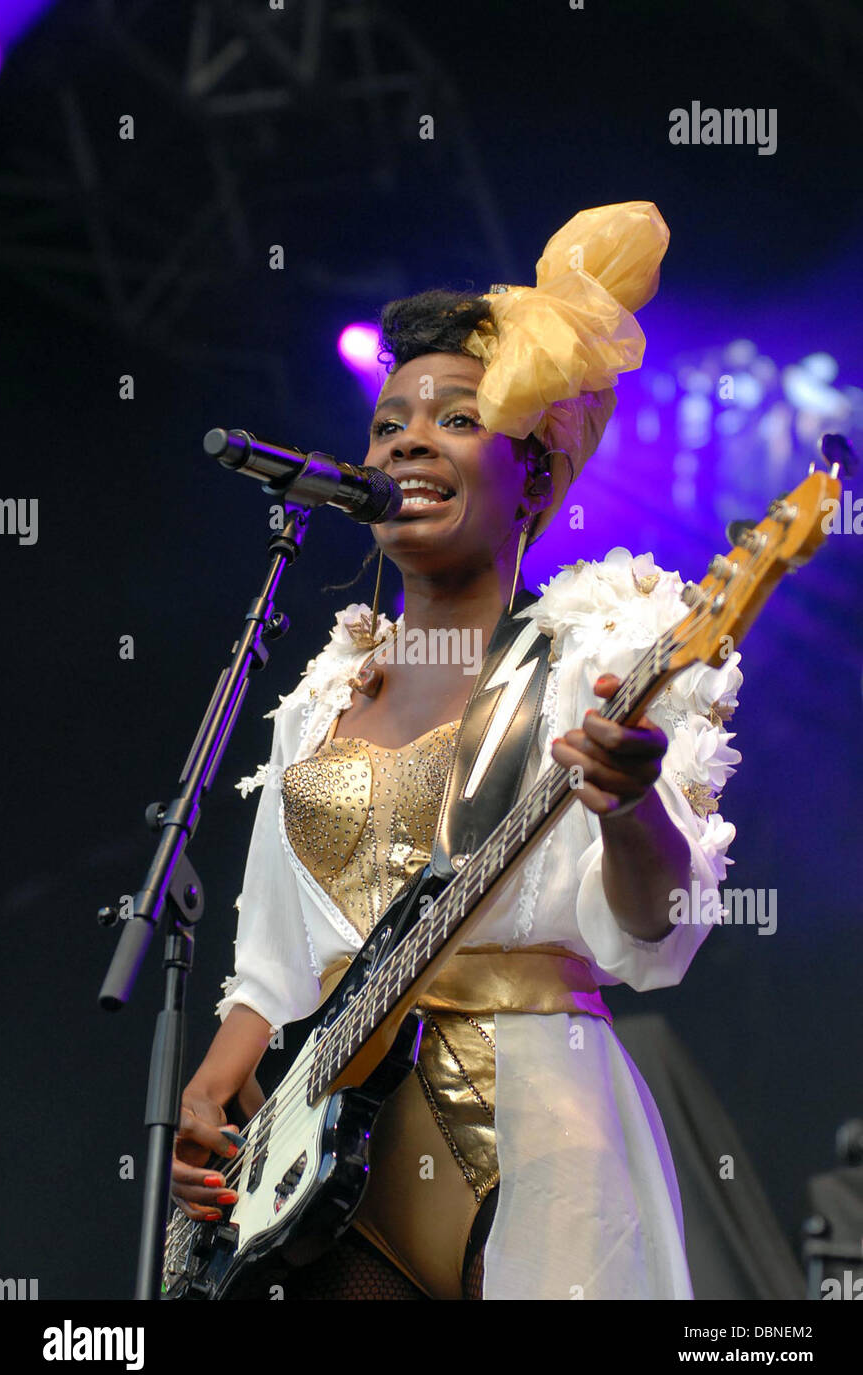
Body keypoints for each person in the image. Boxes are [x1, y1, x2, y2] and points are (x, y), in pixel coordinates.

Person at [170, 201, 743, 1300]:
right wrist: (220, 1076)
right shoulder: (317, 698)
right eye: (390, 425)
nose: (407, 443)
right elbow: (278, 959)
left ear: (534, 472)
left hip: (542, 1132)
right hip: (323, 1163)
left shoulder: (600, 658)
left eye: (458, 418)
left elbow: (657, 937)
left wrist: (631, 809)